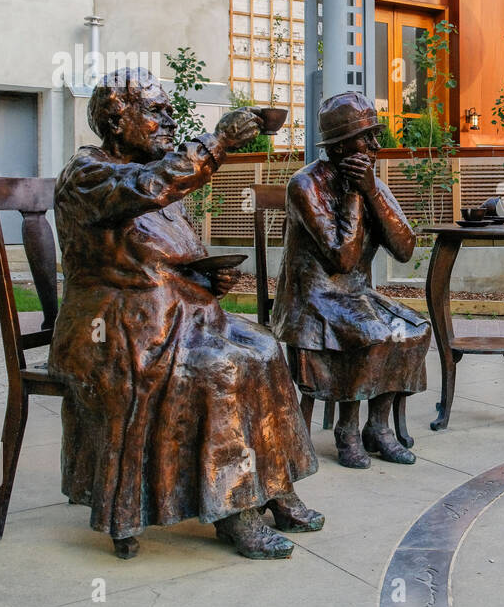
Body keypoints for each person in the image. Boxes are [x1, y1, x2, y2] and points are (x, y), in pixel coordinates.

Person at [50, 68, 323, 560]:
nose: (169, 122)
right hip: (113, 329)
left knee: (264, 346)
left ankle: (275, 488)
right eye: (155, 113)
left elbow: (168, 255)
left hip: (175, 316)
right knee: (223, 368)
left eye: (170, 112)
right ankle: (234, 509)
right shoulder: (89, 175)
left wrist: (204, 280)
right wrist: (218, 141)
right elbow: (151, 187)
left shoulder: (151, 176)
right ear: (116, 120)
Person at [271, 92, 431, 468]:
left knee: (415, 329)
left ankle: (377, 428)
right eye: (368, 137)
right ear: (342, 147)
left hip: (354, 297)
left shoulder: (370, 179)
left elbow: (405, 247)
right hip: (313, 302)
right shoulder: (305, 185)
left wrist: (372, 190)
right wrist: (357, 196)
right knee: (374, 333)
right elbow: (341, 258)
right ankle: (347, 428)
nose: (377, 145)